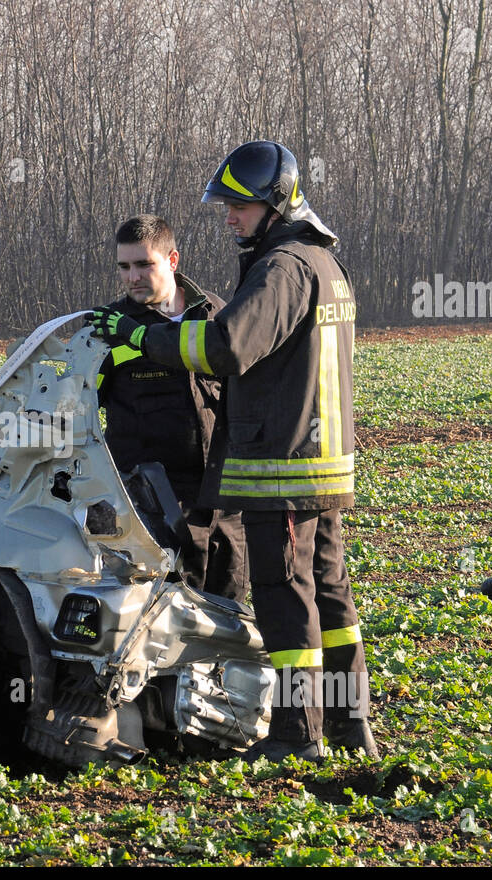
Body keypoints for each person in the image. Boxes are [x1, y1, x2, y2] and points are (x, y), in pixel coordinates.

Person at [87, 141, 377, 763]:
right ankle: (350, 725)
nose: (228, 218)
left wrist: (140, 336)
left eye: (238, 206)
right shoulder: (325, 265)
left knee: (285, 598)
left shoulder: (283, 268)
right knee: (330, 597)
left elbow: (225, 347)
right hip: (322, 468)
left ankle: (298, 734)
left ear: (276, 203)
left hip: (282, 470)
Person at [93, 215, 249, 602]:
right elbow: (78, 408)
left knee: (229, 611)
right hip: (149, 508)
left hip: (223, 500)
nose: (132, 277)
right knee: (163, 615)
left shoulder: (216, 315)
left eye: (144, 264)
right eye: (124, 267)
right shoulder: (109, 329)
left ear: (172, 260)